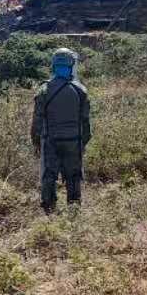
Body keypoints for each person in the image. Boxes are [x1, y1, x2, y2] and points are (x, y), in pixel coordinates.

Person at [31, 47, 92, 212]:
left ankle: (49, 211)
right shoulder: (81, 91)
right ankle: (74, 210)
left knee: (49, 176)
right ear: (71, 65)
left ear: (54, 65)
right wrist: (82, 143)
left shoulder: (43, 90)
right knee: (74, 177)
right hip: (73, 141)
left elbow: (37, 122)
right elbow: (86, 123)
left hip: (51, 140)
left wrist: (36, 143)